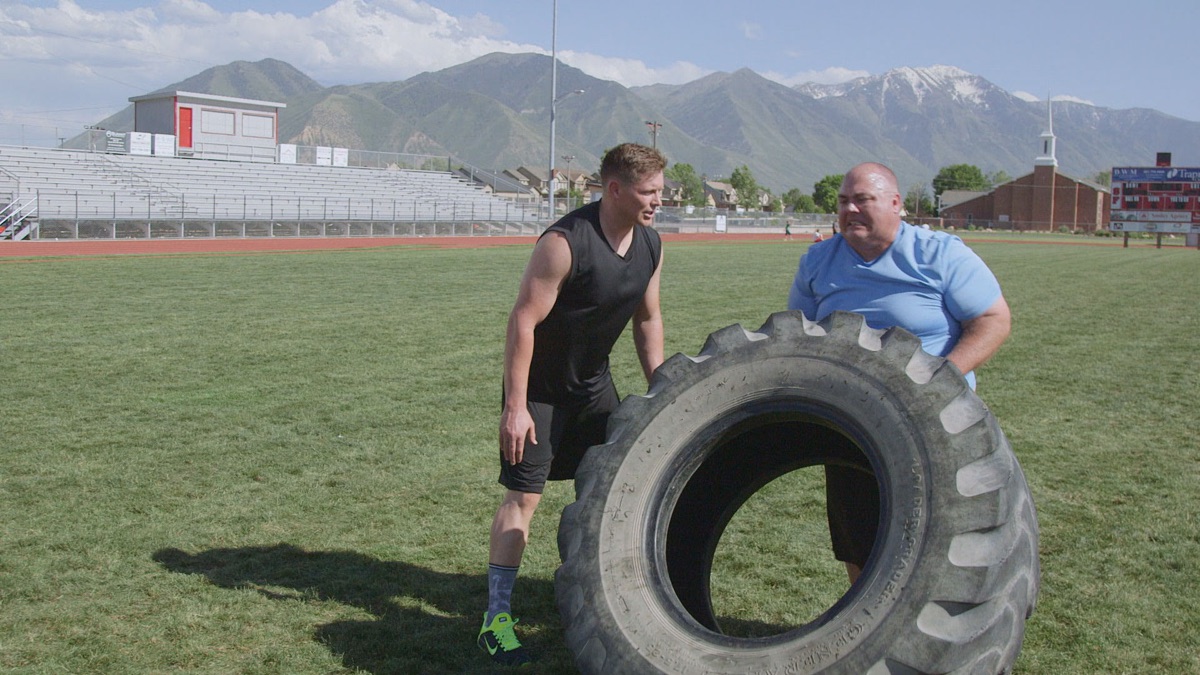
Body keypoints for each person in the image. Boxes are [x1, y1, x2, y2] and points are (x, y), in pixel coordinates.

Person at [478, 143, 667, 666]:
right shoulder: (564, 243)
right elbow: (523, 320)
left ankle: (610, 602)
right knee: (524, 500)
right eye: (649, 192)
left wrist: (663, 389)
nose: (659, 200)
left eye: (660, 190)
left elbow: (648, 320)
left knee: (620, 489)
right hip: (540, 394)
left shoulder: (652, 245)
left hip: (593, 389)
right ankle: (496, 620)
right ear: (615, 189)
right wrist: (515, 407)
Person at [787, 162, 1011, 584]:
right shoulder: (818, 261)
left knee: (938, 535)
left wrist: (938, 379)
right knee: (859, 535)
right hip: (853, 422)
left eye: (862, 199)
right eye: (842, 201)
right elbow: (797, 333)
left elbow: (993, 319)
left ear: (896, 204)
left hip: (935, 420)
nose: (850, 209)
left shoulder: (941, 254)